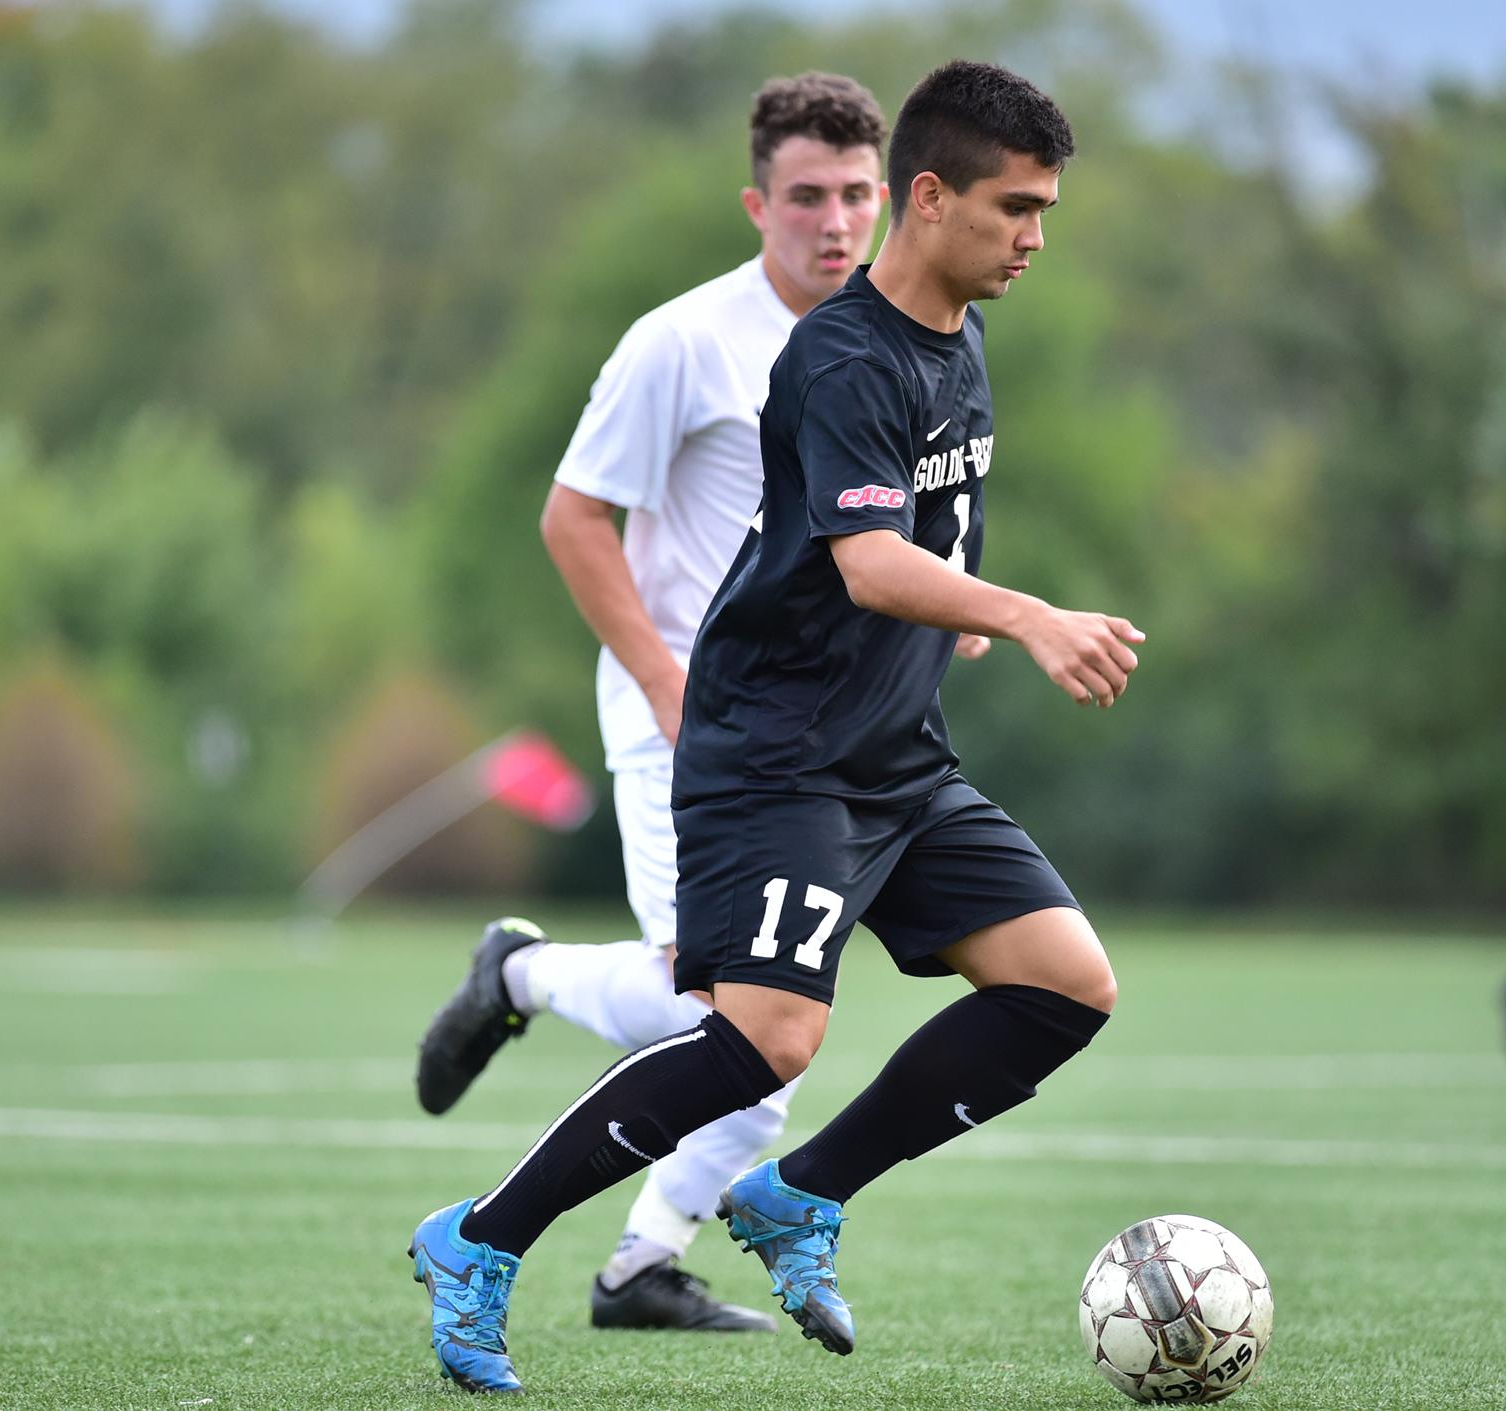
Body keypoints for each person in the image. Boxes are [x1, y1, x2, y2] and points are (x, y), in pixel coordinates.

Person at [408, 60, 1141, 1394]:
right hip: (775, 752)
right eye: (1016, 207)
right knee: (764, 1037)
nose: (1036, 236)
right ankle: (478, 1237)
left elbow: (932, 533)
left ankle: (799, 1193)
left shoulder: (962, 341)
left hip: (895, 757)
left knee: (1064, 983)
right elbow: (866, 560)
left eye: (1046, 208)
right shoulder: (838, 354)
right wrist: (1028, 615)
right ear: (932, 199)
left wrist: (968, 608)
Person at [412, 72, 900, 1336]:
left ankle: (637, 1260)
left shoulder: (885, 340)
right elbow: (572, 519)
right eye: (807, 197)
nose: (835, 221)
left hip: (816, 731)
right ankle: (522, 986)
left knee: (769, 1019)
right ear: (757, 203)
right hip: (681, 717)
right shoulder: (681, 341)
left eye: (857, 195)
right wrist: (667, 682)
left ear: (889, 196)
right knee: (727, 1008)